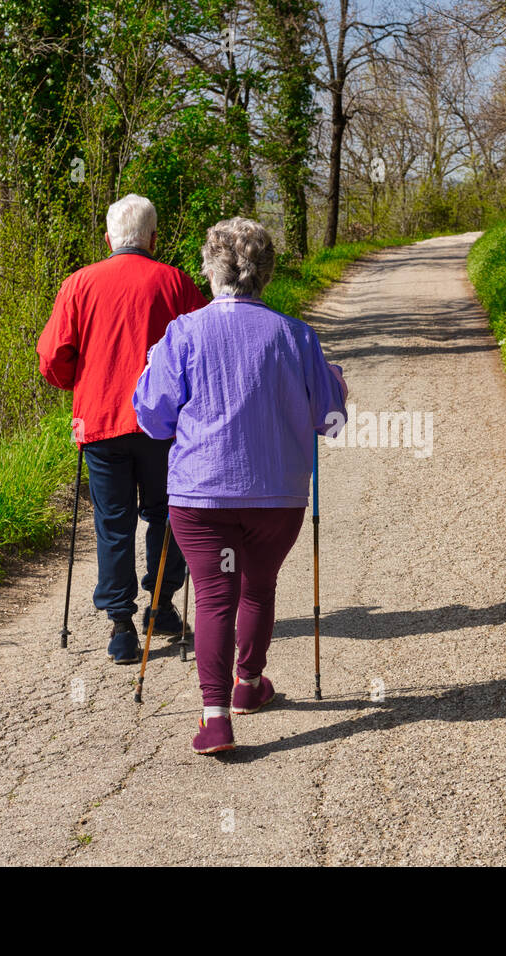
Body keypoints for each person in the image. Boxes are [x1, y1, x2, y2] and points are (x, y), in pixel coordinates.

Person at [133, 217, 348, 754]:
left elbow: (154, 421)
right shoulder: (296, 336)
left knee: (213, 596)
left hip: (201, 496)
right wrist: (337, 381)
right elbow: (331, 420)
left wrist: (148, 378)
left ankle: (215, 718)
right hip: (277, 496)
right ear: (266, 275)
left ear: (209, 271)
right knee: (258, 585)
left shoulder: (182, 333)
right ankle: (249, 685)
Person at [37, 194, 208, 664]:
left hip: (101, 421)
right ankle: (162, 605)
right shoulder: (175, 282)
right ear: (154, 238)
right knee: (167, 513)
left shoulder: (78, 284)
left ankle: (121, 626)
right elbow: (202, 348)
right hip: (163, 425)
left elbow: (53, 358)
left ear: (108, 238)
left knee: (113, 523)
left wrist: (78, 381)